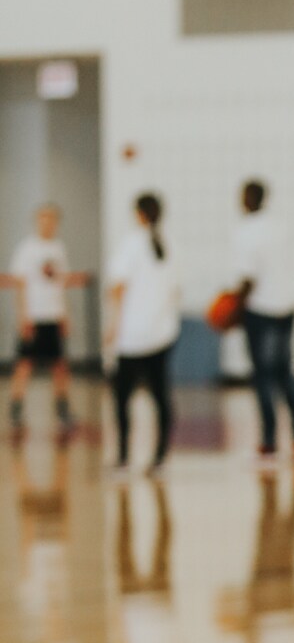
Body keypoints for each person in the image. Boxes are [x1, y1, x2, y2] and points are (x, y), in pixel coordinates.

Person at [232, 179, 294, 465]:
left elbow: (248, 278)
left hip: (262, 310)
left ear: (247, 199)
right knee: (286, 373)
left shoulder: (246, 231)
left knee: (263, 377)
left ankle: (268, 444)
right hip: (288, 306)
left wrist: (233, 308)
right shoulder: (281, 227)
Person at [105, 193, 181, 476]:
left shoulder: (130, 244)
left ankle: (123, 458)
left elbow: (118, 288)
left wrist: (113, 325)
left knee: (122, 398)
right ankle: (160, 457)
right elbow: (176, 289)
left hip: (133, 336)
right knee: (161, 395)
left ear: (138, 214)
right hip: (162, 332)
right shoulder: (170, 244)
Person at [6, 203, 87, 441]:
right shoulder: (27, 248)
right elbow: (20, 285)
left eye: (51, 219)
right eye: (43, 219)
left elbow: (60, 284)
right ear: (37, 222)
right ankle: (16, 410)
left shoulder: (59, 248)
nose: (47, 224)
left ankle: (63, 411)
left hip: (54, 315)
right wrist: (23, 317)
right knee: (24, 364)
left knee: (60, 365)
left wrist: (65, 316)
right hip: (34, 316)